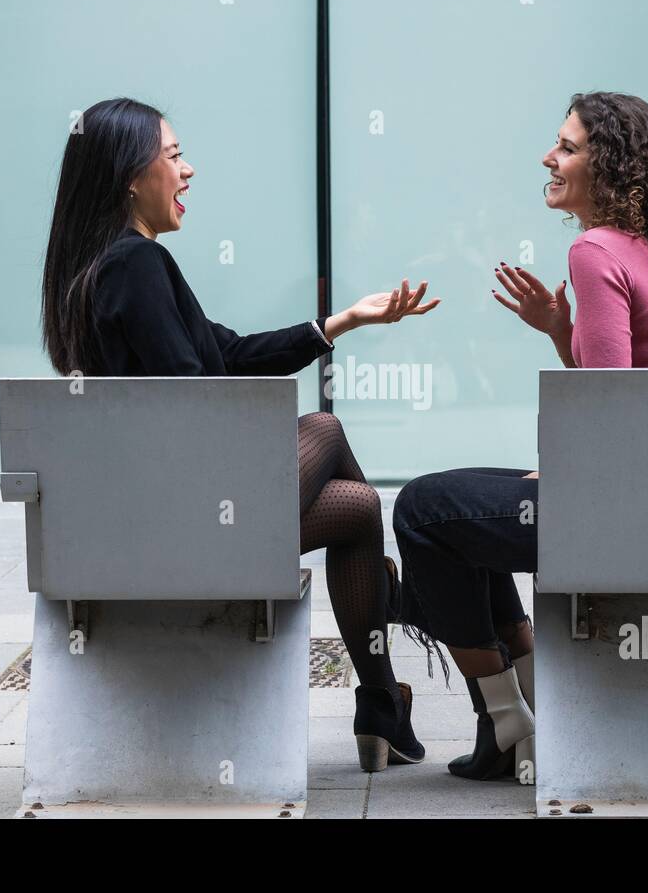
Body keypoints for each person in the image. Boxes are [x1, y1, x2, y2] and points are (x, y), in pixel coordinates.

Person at [39, 97, 440, 772]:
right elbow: (198, 392)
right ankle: (387, 630)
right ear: (129, 176)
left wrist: (343, 321)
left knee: (359, 506)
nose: (188, 171)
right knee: (328, 430)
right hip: (188, 524)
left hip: (136, 517)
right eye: (173, 157)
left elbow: (224, 353)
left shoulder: (96, 271)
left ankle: (381, 692)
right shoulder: (136, 265)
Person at [391, 91, 648, 780]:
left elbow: (608, 408)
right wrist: (559, 328)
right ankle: (519, 712)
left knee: (420, 510)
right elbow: (627, 387)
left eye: (568, 147)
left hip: (621, 507)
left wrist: (568, 471)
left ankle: (507, 717)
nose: (549, 158)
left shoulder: (593, 250)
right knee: (456, 510)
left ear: (608, 165)